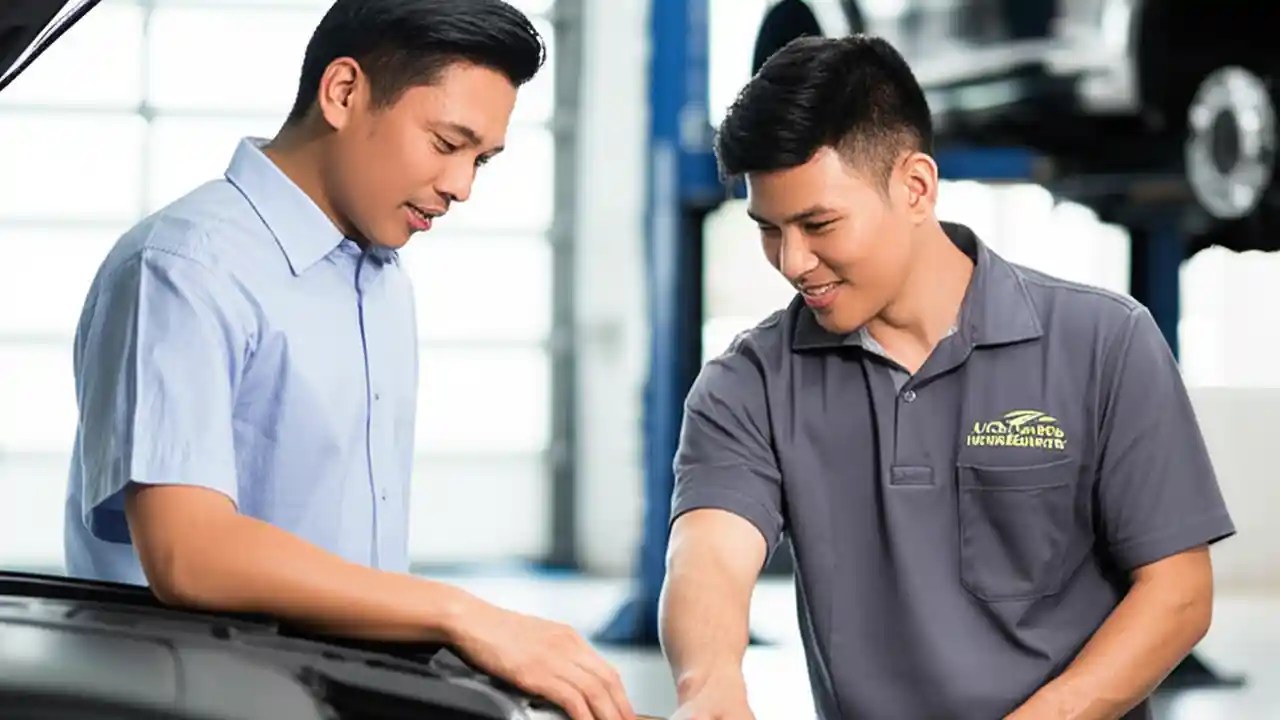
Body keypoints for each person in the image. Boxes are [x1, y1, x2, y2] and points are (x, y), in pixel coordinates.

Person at [61, 2, 635, 719]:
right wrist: (458, 614)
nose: (462, 186)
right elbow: (190, 552)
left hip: (338, 692)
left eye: (481, 159)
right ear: (341, 92)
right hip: (204, 699)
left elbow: (347, 563)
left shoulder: (381, 275)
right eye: (446, 143)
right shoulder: (184, 267)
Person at [659, 35, 1235, 720]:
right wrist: (710, 687)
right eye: (769, 229)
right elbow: (710, 559)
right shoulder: (748, 383)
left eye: (818, 224)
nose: (792, 261)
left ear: (915, 188)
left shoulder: (1106, 344)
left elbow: (1178, 593)